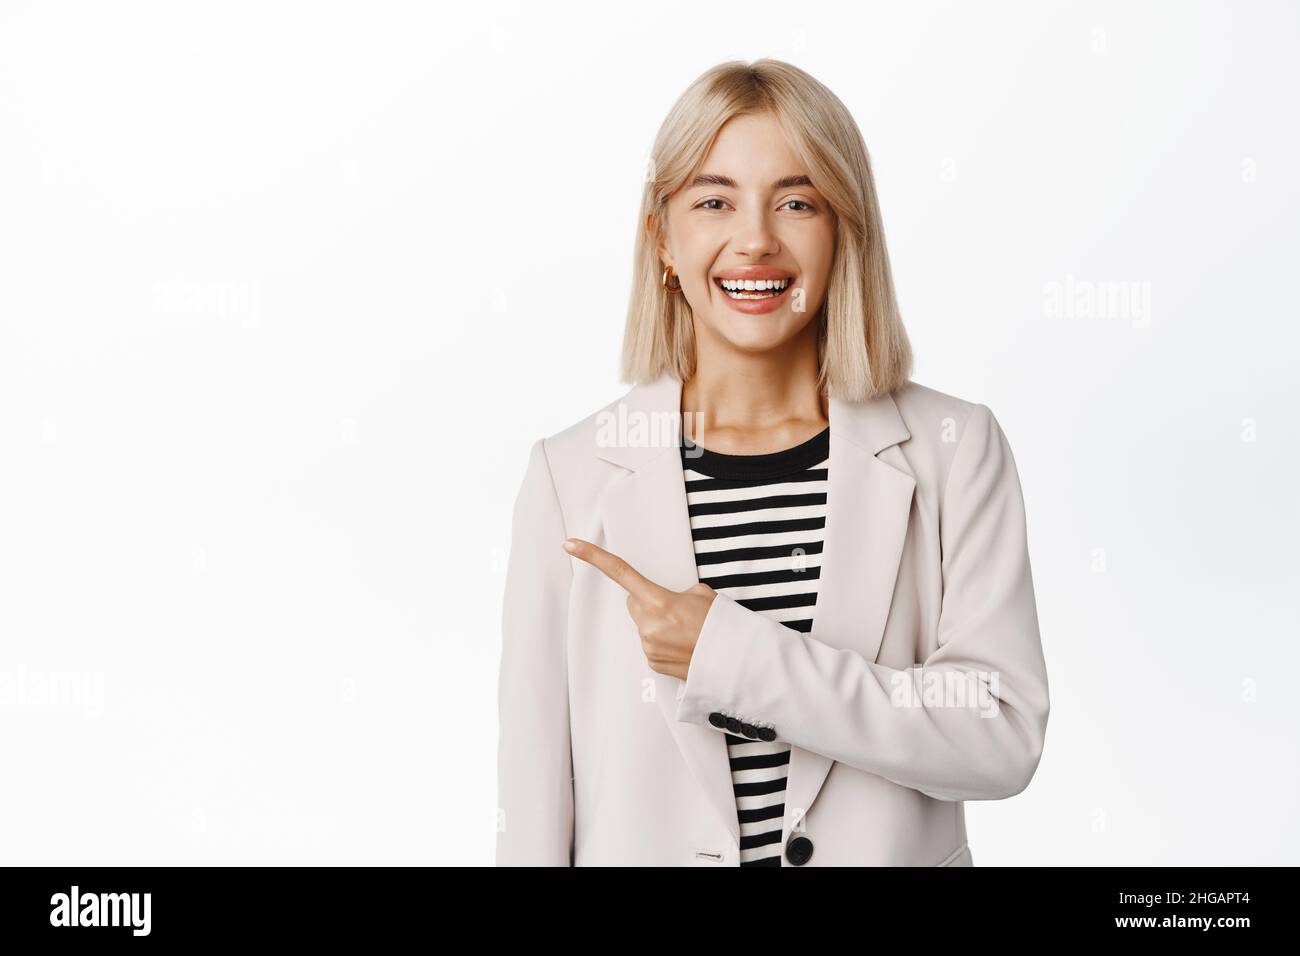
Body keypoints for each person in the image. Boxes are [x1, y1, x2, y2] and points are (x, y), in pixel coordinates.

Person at [496, 58, 1050, 866]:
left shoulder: (953, 452)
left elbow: (999, 736)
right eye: (713, 200)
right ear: (663, 239)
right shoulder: (569, 477)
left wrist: (730, 658)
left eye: (797, 202)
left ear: (844, 230)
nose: (755, 238)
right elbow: (534, 796)